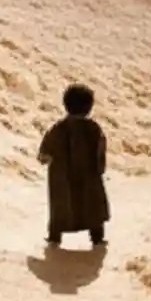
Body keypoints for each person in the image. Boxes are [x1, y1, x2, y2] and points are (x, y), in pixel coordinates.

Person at [37, 83, 110, 246]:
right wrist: (100, 168)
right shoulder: (93, 128)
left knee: (61, 208)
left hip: (62, 180)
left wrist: (45, 158)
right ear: (89, 107)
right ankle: (97, 238)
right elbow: (100, 149)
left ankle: (55, 238)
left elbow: (44, 153)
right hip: (89, 179)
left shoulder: (59, 128)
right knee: (93, 208)